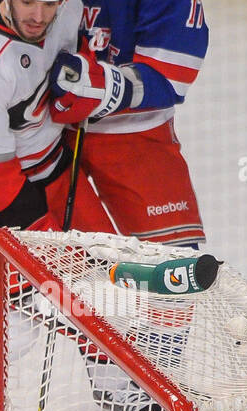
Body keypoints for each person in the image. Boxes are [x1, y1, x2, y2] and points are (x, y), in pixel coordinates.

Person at [0, 0, 116, 406]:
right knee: (32, 311)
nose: (39, 16)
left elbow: (76, 53)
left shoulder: (67, 11)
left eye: (49, 3)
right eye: (27, 1)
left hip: (49, 165)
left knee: (108, 272)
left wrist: (83, 82)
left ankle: (115, 385)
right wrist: (47, 242)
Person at [49, 0, 209, 248]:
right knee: (28, 258)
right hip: (42, 131)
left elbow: (171, 73)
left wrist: (106, 87)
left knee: (171, 269)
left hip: (133, 132)